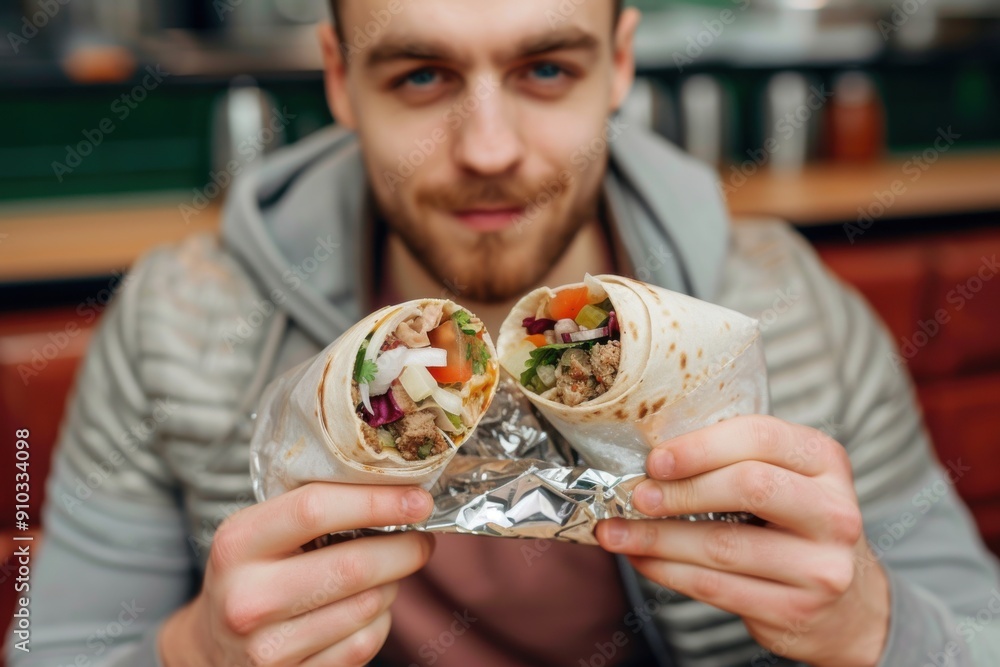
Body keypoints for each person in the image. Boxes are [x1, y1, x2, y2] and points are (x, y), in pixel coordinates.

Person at [8, 1, 1000, 665]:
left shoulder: (788, 316)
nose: (489, 151)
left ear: (616, 63)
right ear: (340, 78)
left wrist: (872, 623)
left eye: (545, 69)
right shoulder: (179, 327)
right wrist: (195, 652)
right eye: (421, 78)